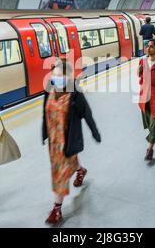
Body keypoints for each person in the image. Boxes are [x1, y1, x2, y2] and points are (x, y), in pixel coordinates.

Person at [42, 58, 101, 225]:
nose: (56, 80)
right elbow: (44, 114)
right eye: (54, 76)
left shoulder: (75, 96)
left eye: (60, 76)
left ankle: (56, 209)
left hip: (67, 140)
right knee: (69, 162)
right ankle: (80, 170)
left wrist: (95, 133)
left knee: (59, 174)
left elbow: (87, 114)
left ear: (69, 76)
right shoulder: (49, 90)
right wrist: (43, 133)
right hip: (54, 141)